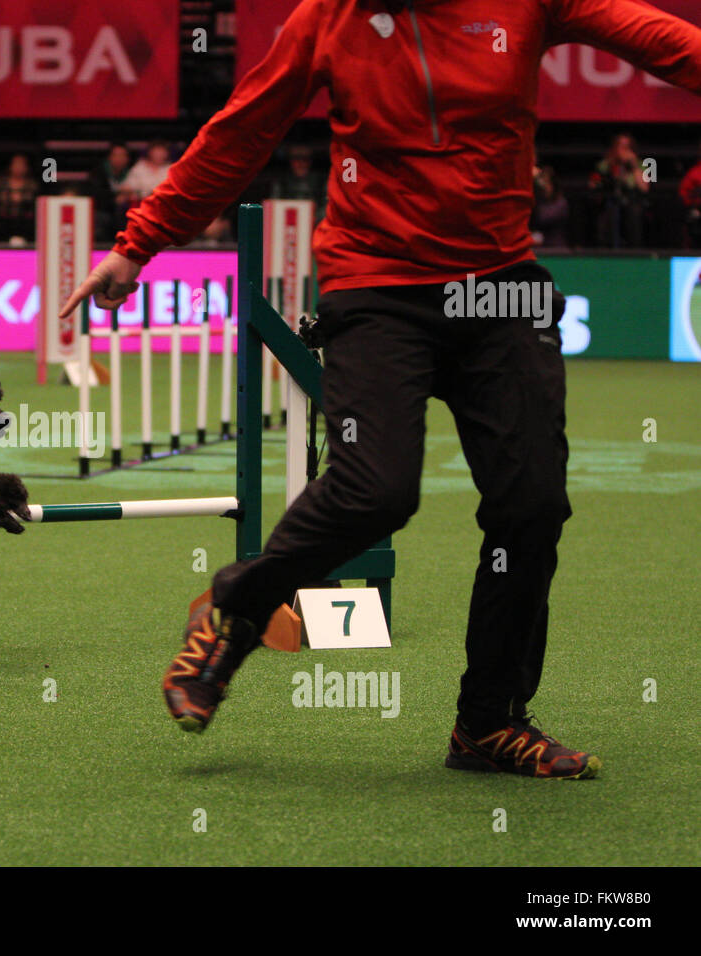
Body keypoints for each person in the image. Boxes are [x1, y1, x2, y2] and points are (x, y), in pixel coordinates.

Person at [62, 0, 701, 780]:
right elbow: (240, 132)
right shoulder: (327, 18)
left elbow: (666, 42)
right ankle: (238, 611)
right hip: (377, 286)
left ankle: (489, 723)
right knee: (376, 489)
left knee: (531, 506)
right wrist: (140, 243)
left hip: (500, 289)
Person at [589, 133, 650, 248]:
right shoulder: (605, 164)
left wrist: (633, 166)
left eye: (627, 147)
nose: (623, 151)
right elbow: (593, 184)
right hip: (609, 202)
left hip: (632, 202)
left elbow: (644, 188)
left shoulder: (641, 165)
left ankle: (635, 250)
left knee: (634, 213)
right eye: (620, 146)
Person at [87, 143, 133, 242]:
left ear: (127, 158)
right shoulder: (98, 172)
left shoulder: (133, 172)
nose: (119, 158)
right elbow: (97, 196)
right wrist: (115, 199)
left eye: (122, 155)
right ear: (109, 157)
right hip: (103, 211)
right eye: (116, 155)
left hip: (126, 211)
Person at [0, 153, 39, 243]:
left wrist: (20, 200)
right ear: (10, 166)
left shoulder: (32, 184)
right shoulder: (1, 183)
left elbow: (32, 202)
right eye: (16, 164)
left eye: (21, 164)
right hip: (4, 220)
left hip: (25, 221)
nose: (18, 167)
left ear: (26, 167)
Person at [531, 165, 570, 251]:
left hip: (556, 249)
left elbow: (542, 218)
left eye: (547, 183)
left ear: (553, 185)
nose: (544, 188)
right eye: (543, 184)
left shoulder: (561, 203)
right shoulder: (540, 201)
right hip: (541, 250)